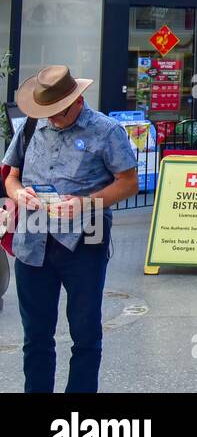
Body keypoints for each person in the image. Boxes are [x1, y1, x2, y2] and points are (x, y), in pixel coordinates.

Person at [3, 66, 139, 393]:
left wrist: (86, 203)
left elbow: (129, 183)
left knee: (85, 333)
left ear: (77, 100)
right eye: (46, 112)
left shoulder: (107, 131)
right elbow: (11, 176)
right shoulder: (32, 125)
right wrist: (18, 193)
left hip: (86, 240)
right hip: (33, 240)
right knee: (36, 336)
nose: (51, 118)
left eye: (57, 112)